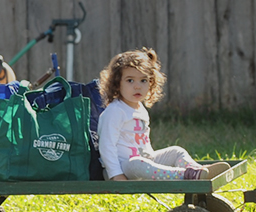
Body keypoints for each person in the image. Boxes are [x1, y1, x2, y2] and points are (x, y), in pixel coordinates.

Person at [97, 48, 230, 181]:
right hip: (122, 168)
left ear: (151, 82)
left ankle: (197, 171)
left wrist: (153, 159)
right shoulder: (115, 111)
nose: (137, 86)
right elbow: (106, 145)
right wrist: (115, 174)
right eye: (130, 80)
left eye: (143, 80)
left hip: (145, 162)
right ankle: (185, 175)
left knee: (176, 151)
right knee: (138, 164)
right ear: (116, 84)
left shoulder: (139, 108)